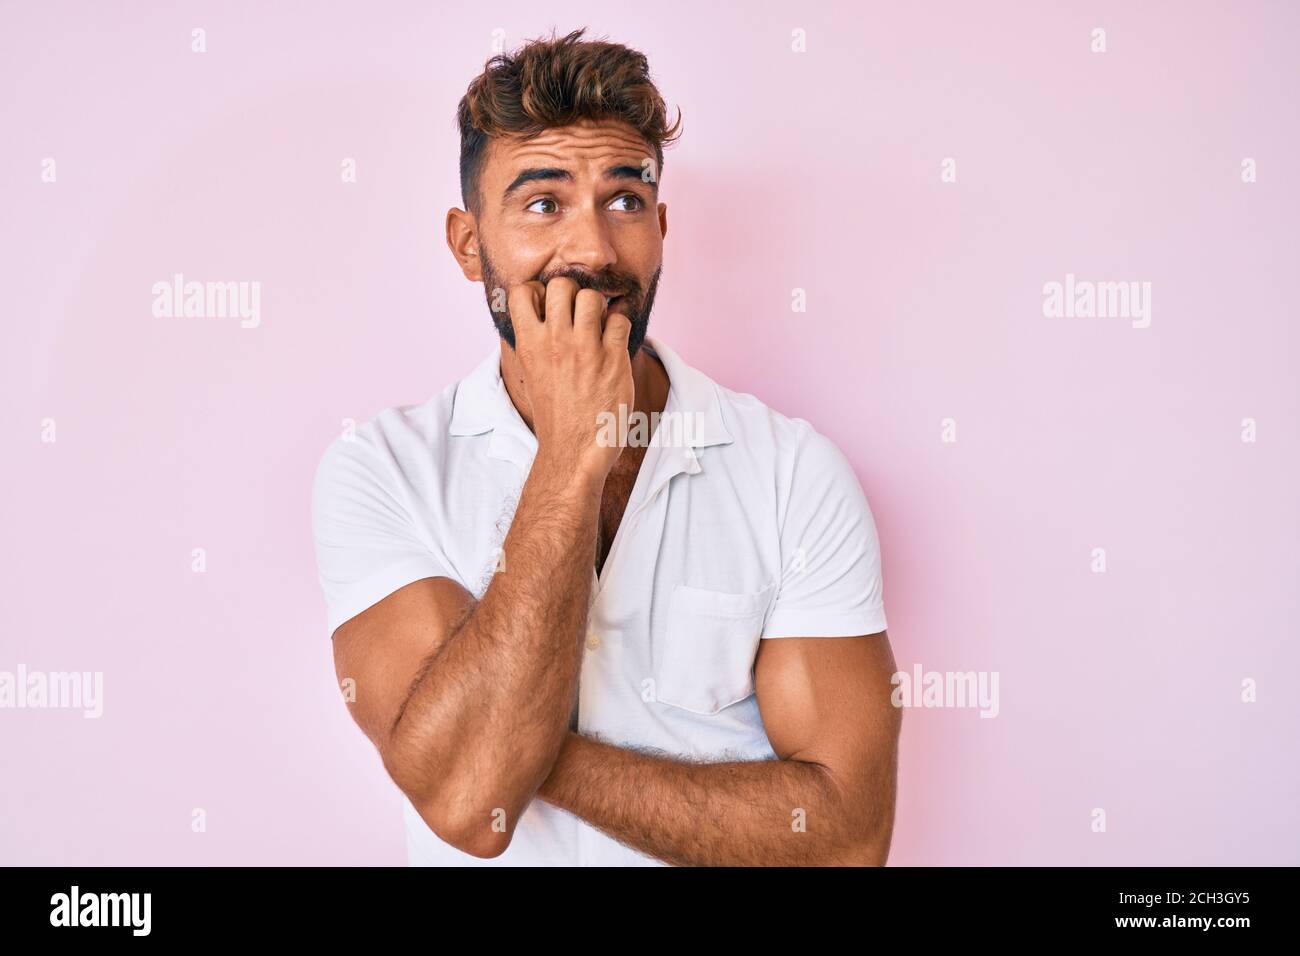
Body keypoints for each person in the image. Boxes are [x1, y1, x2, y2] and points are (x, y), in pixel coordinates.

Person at [311, 29, 900, 866]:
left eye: (624, 201)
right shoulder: (382, 470)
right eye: (543, 204)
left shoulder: (793, 473)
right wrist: (571, 454)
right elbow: (470, 814)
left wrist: (506, 750)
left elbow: (844, 839)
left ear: (660, 227)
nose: (592, 249)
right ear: (469, 243)